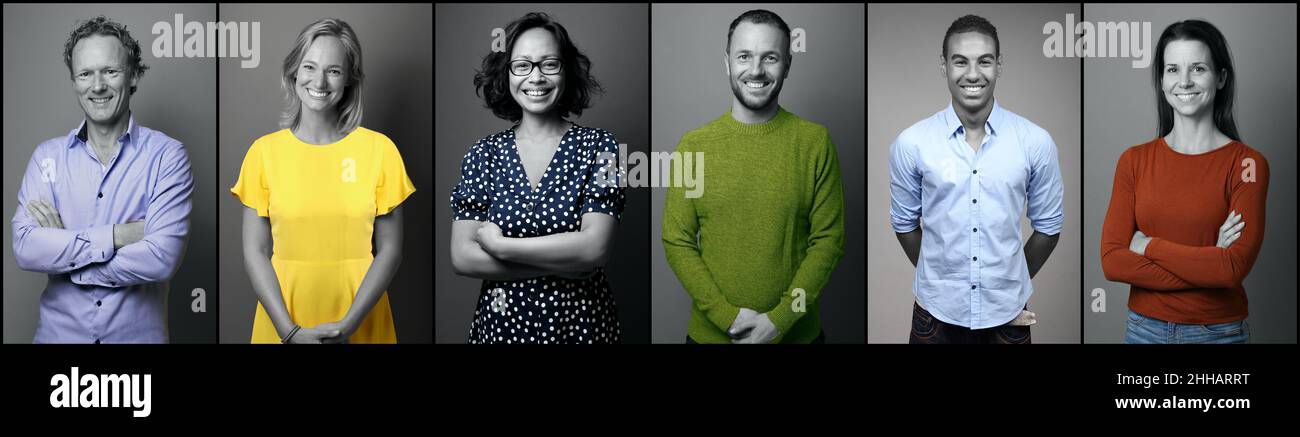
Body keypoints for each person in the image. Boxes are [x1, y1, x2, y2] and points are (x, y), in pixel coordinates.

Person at [663, 9, 845, 344]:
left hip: (799, 337)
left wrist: (779, 320)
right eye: (744, 56)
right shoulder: (693, 145)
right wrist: (727, 317)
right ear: (727, 63)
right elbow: (678, 241)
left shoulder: (815, 142)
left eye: (770, 57)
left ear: (787, 65)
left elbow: (828, 241)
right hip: (711, 337)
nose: (756, 70)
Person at [12, 16, 193, 344]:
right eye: (85, 74)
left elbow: (161, 258)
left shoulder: (167, 156)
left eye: (110, 71)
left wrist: (66, 254)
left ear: (134, 75)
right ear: (74, 81)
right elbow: (25, 248)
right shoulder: (47, 158)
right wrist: (117, 235)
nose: (97, 86)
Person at [233, 18, 414, 344]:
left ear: (349, 79)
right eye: (310, 67)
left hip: (362, 320)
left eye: (333, 70)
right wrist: (289, 332)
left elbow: (391, 251)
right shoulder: (263, 153)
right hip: (282, 321)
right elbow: (255, 251)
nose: (319, 80)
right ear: (294, 72)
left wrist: (348, 325)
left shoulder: (380, 150)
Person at [889, 14, 1064, 344]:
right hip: (934, 319)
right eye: (960, 61)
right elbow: (904, 224)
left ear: (999, 65)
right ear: (944, 66)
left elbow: (1049, 227)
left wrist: (1007, 283)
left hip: (1007, 319)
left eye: (984, 61)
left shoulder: (1035, 141)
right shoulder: (911, 143)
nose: (972, 74)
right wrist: (939, 277)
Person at [451, 12, 624, 344]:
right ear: (507, 73)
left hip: (581, 327)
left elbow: (595, 248)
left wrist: (501, 246)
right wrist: (563, 265)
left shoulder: (602, 148)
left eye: (549, 64)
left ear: (566, 70)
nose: (536, 77)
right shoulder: (482, 154)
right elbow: (462, 256)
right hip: (502, 327)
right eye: (522, 65)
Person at [1100, 19, 1266, 344]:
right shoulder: (1133, 160)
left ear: (1220, 78)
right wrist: (1209, 262)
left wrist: (1147, 246)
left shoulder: (1248, 164)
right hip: (1143, 331)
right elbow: (1113, 262)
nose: (1185, 81)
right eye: (1173, 69)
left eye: (1198, 69)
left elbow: (1231, 269)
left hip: (1218, 333)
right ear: (1162, 80)